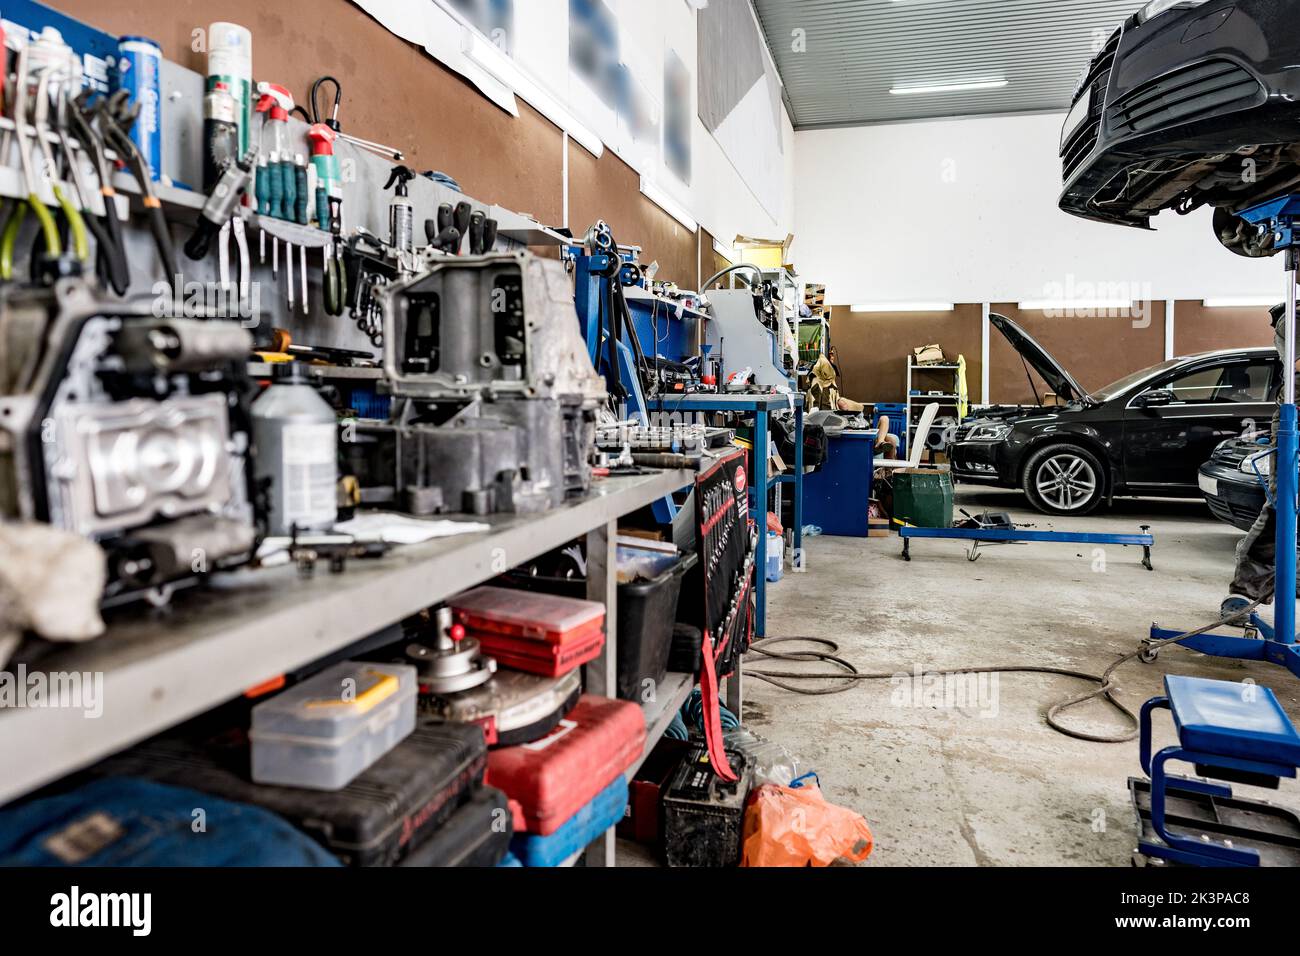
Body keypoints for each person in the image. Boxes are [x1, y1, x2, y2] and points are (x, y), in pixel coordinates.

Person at [1223, 300, 1300, 620]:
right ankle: (1247, 590)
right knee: (1284, 506)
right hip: (1294, 417)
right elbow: (1297, 366)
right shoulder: (1292, 320)